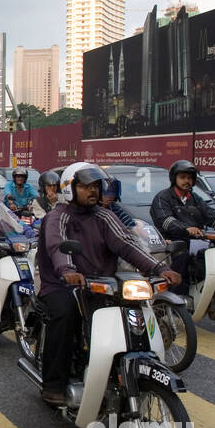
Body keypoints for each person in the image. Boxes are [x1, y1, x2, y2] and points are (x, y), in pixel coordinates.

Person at [36, 163, 181, 408]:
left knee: (129, 310)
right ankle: (54, 384)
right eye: (85, 186)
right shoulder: (58, 216)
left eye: (95, 186)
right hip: (61, 283)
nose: (92, 191)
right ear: (70, 188)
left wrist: (159, 269)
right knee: (65, 312)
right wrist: (68, 270)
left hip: (103, 283)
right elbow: (57, 246)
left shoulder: (104, 216)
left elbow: (127, 244)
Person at [150, 160, 215, 294]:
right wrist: (186, 228)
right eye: (182, 177)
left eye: (190, 178)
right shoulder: (163, 197)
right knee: (182, 258)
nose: (187, 181)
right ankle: (178, 299)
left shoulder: (195, 198)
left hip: (197, 241)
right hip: (174, 242)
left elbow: (213, 216)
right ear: (174, 178)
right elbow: (165, 220)